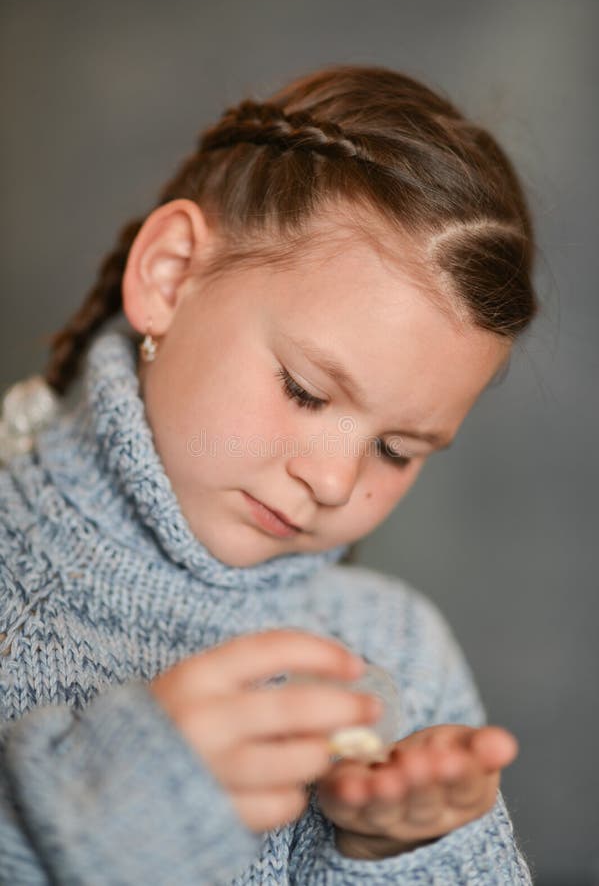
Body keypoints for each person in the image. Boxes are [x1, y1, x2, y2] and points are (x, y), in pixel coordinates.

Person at [0, 64, 537, 884]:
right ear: (171, 275)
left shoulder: (399, 651)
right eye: (305, 390)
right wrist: (100, 801)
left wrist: (396, 851)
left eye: (397, 450)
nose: (331, 480)